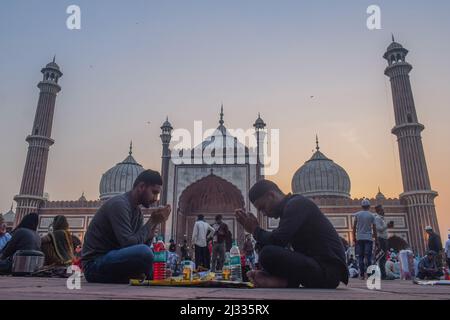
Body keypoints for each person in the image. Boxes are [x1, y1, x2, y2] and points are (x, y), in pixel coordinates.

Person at [235, 180, 348, 288]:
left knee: (267, 253)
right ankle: (282, 281)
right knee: (264, 247)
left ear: (271, 195)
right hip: (318, 268)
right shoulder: (289, 208)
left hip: (329, 272)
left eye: (263, 208)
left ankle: (286, 281)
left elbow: (278, 241)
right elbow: (275, 242)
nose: (263, 213)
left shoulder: (297, 204)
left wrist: (255, 230)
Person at [82, 169, 171, 283]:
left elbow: (139, 245)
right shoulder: (119, 205)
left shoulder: (137, 212)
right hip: (94, 265)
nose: (155, 198)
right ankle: (146, 274)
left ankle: (144, 275)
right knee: (145, 253)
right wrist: (152, 221)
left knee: (160, 254)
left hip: (114, 261)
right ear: (141, 187)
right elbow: (129, 245)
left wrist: (154, 226)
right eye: (154, 192)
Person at [352, 199, 377, 280]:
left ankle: (362, 275)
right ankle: (369, 275)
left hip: (359, 238)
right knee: (368, 257)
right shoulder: (372, 215)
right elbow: (374, 228)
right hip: (368, 238)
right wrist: (376, 240)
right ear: (369, 206)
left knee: (361, 257)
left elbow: (354, 227)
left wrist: (354, 237)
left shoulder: (357, 214)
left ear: (361, 206)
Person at [374, 205, 394, 280]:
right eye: (382, 210)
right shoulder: (377, 218)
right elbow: (379, 229)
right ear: (379, 211)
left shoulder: (381, 219)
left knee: (384, 257)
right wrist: (387, 225)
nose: (384, 211)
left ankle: (383, 274)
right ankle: (383, 275)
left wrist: (388, 226)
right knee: (382, 257)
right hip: (381, 239)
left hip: (384, 239)